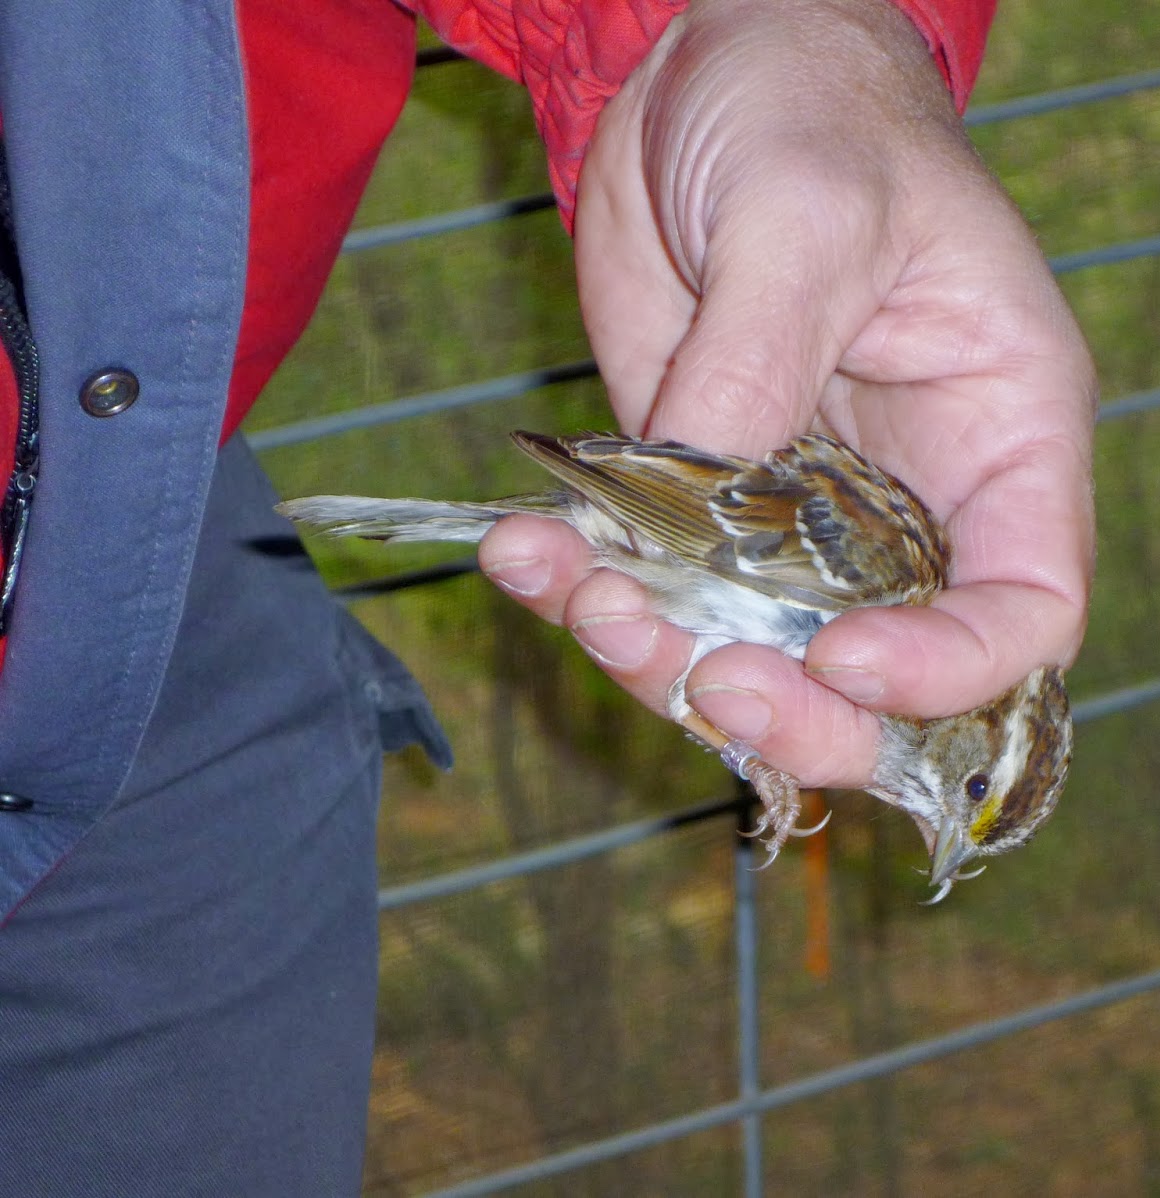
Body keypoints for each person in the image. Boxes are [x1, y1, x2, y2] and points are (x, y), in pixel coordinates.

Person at [0, 0, 1094, 1192]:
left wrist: (784, 26)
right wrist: (679, 452)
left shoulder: (900, 618)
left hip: (118, 505)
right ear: (973, 730)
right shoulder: (882, 578)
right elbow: (711, 497)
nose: (942, 834)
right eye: (968, 796)